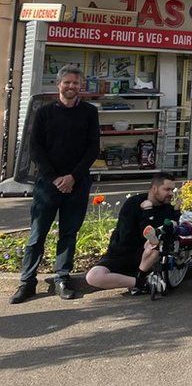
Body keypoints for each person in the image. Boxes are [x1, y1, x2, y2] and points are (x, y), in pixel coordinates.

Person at [10, 65, 100, 304]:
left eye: (75, 83)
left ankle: (62, 278)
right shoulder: (45, 112)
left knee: (68, 234)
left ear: (80, 86)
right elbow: (35, 148)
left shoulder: (90, 112)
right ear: (58, 85)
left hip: (77, 183)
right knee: (37, 234)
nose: (71, 86)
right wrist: (55, 178)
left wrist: (72, 177)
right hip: (47, 185)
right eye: (67, 82)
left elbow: (93, 148)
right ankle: (27, 282)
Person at [84, 172, 180, 293]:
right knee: (93, 276)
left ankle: (138, 281)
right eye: (167, 189)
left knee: (152, 245)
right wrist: (148, 216)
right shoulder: (133, 203)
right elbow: (126, 235)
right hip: (122, 253)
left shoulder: (168, 210)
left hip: (148, 257)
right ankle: (141, 283)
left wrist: (149, 213)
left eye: (172, 189)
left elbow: (159, 236)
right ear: (154, 189)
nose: (171, 193)